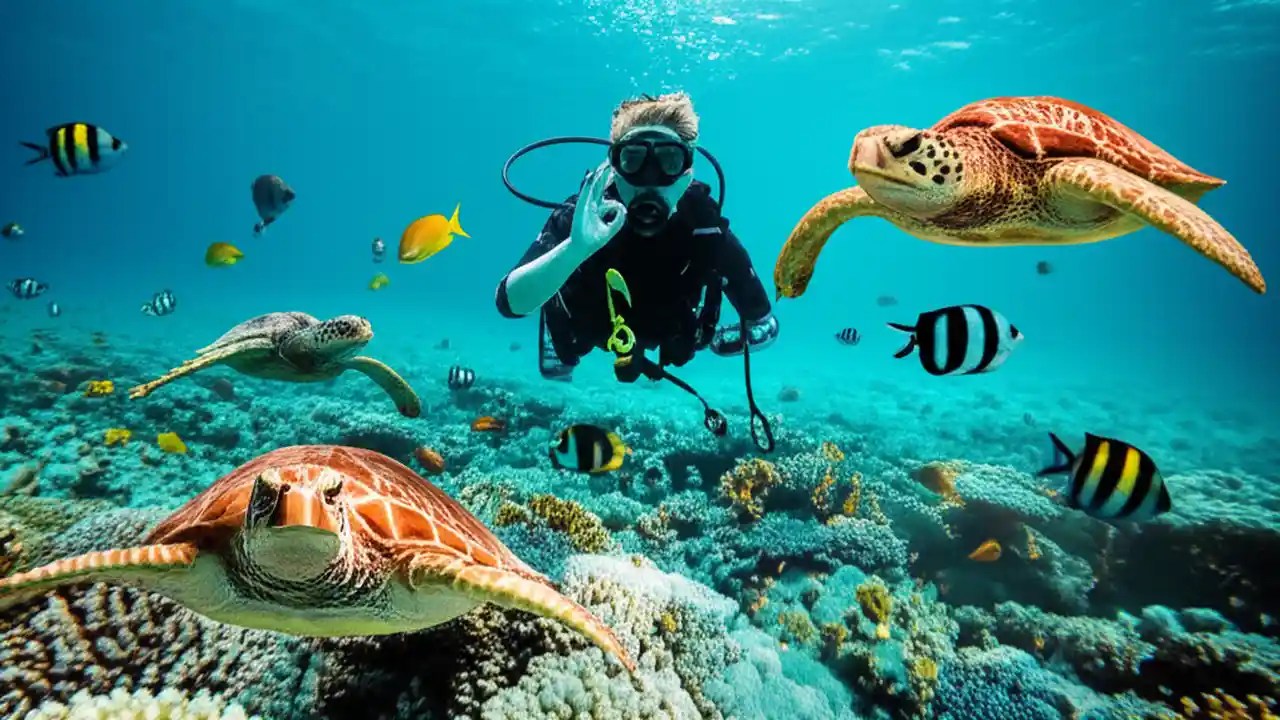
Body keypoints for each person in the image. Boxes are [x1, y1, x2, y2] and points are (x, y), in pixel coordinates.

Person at [495, 91, 780, 389]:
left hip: (668, 326)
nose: (649, 180)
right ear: (614, 167)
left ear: (687, 173)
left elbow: (762, 322)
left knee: (685, 341)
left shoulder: (703, 225)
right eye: (633, 160)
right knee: (566, 329)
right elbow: (509, 303)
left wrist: (725, 339)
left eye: (669, 160)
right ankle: (558, 343)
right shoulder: (585, 216)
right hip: (594, 324)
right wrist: (574, 249)